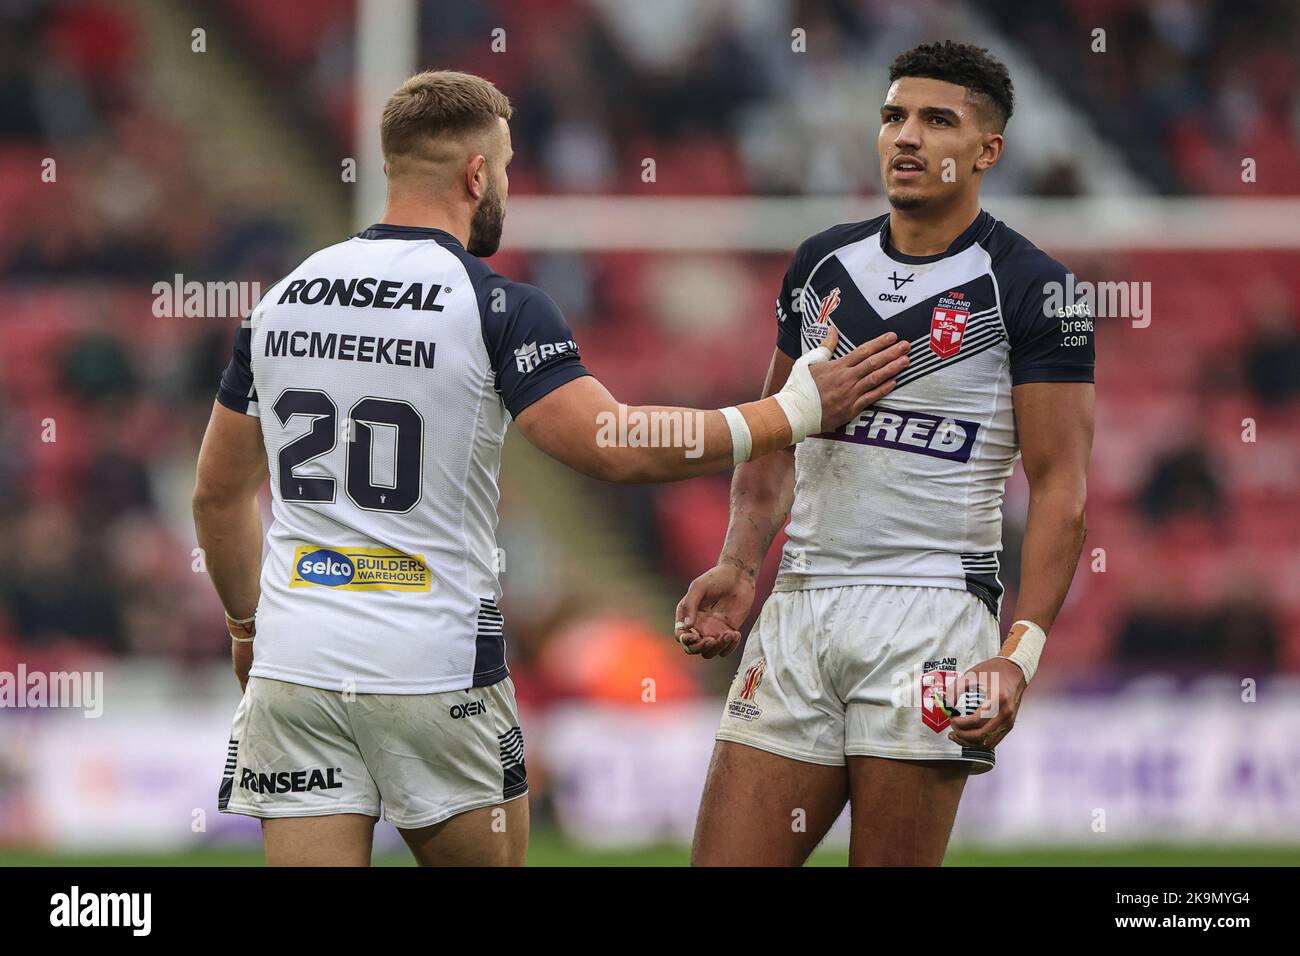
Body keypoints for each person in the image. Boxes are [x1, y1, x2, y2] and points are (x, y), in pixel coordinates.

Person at [191, 70, 909, 867]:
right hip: (431, 664)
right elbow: (613, 441)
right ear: (475, 175)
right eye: (502, 167)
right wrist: (791, 414)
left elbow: (218, 496)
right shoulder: (495, 304)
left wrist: (248, 625)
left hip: (299, 663)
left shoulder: (281, 303)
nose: (505, 185)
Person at [675, 41, 1095, 866]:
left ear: (987, 151)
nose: (906, 137)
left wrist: (1020, 654)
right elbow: (774, 432)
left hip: (932, 615)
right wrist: (739, 561)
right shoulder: (822, 264)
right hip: (798, 605)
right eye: (893, 116)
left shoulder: (1035, 288)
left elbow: (1061, 490)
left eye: (937, 120)